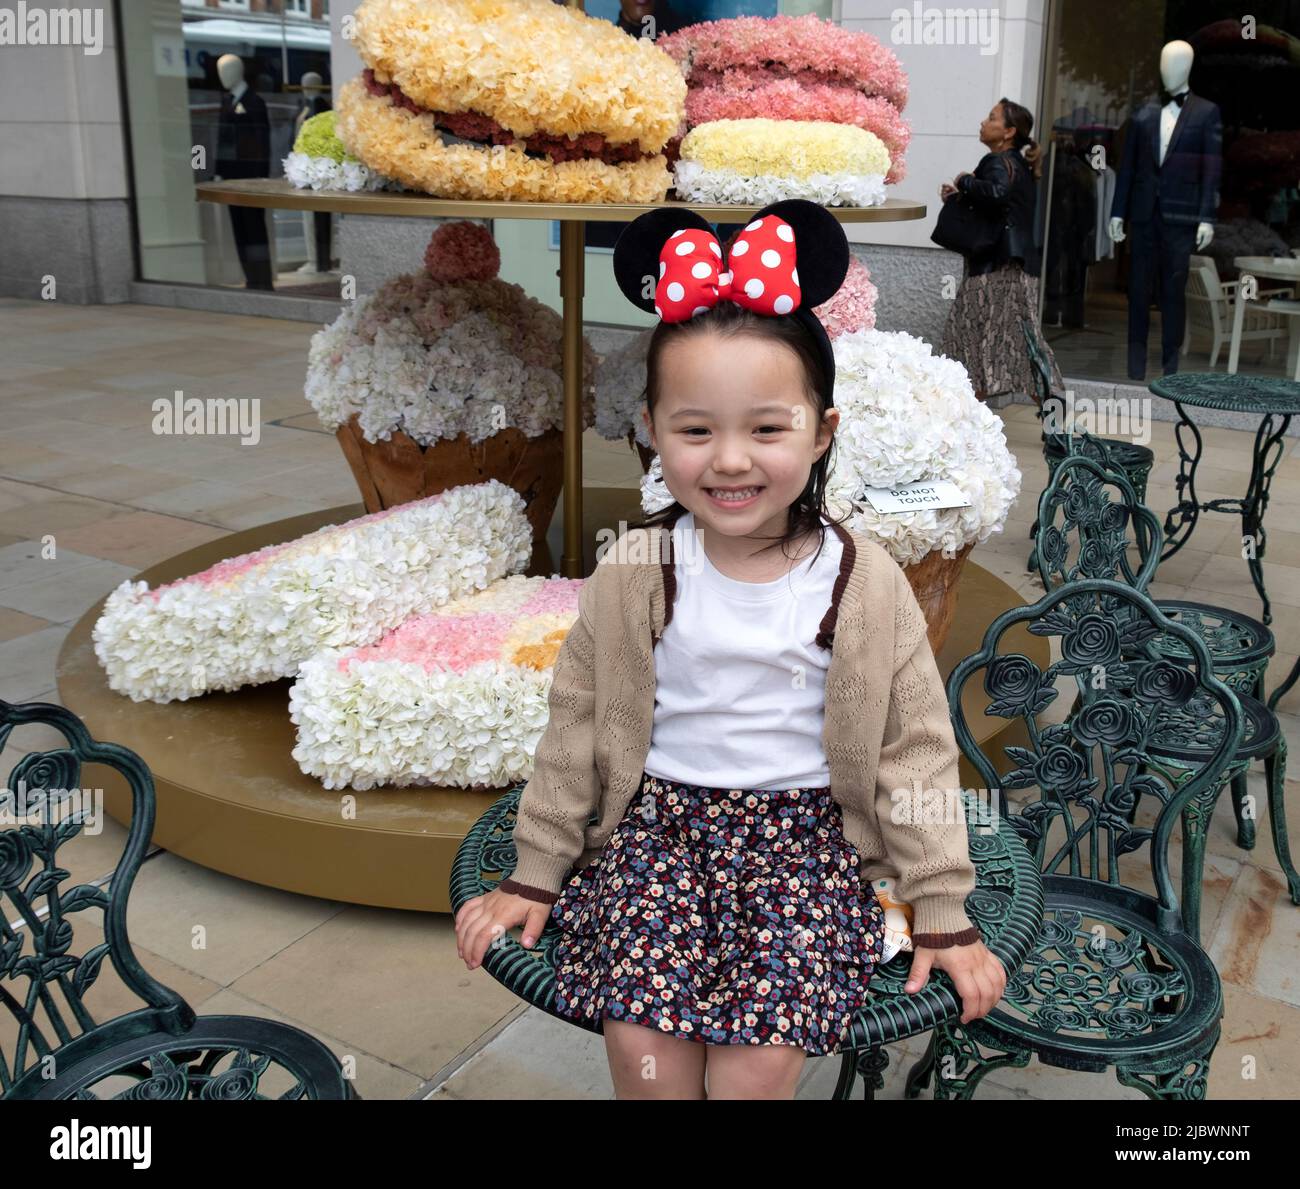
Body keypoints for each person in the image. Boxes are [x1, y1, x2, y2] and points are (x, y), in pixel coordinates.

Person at [455, 200, 1006, 1100]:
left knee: (756, 1065)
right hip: (654, 837)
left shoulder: (863, 586)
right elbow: (577, 729)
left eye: (767, 427)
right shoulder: (635, 571)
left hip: (807, 846)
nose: (730, 460)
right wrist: (536, 867)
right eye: (696, 428)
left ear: (822, 431)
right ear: (652, 430)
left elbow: (913, 751)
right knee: (645, 1049)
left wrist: (942, 911)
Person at [939, 98, 1066, 405]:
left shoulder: (998, 161)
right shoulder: (1017, 164)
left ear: (1008, 132)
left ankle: (967, 412)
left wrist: (964, 181)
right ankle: (1048, 412)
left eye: (992, 118)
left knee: (971, 337)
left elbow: (997, 193)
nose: (984, 122)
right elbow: (1000, 206)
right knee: (1014, 341)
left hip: (997, 270)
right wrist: (961, 196)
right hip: (1012, 267)